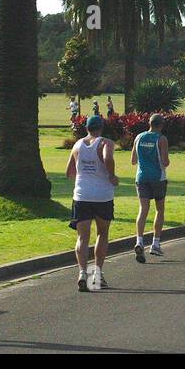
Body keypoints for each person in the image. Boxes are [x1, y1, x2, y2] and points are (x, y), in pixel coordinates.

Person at [66, 115, 119, 292]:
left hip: (82, 195)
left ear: (86, 128)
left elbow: (69, 172)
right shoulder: (105, 143)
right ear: (101, 127)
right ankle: (97, 274)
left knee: (82, 237)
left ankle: (82, 273)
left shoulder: (77, 145)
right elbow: (108, 158)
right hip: (102, 195)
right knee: (102, 233)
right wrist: (110, 175)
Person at [130, 113, 169, 262]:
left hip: (141, 177)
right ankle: (155, 243)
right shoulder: (161, 139)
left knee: (143, 209)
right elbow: (165, 162)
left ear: (149, 123)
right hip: (158, 177)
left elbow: (133, 160)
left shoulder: (139, 137)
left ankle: (139, 241)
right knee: (159, 209)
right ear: (161, 125)